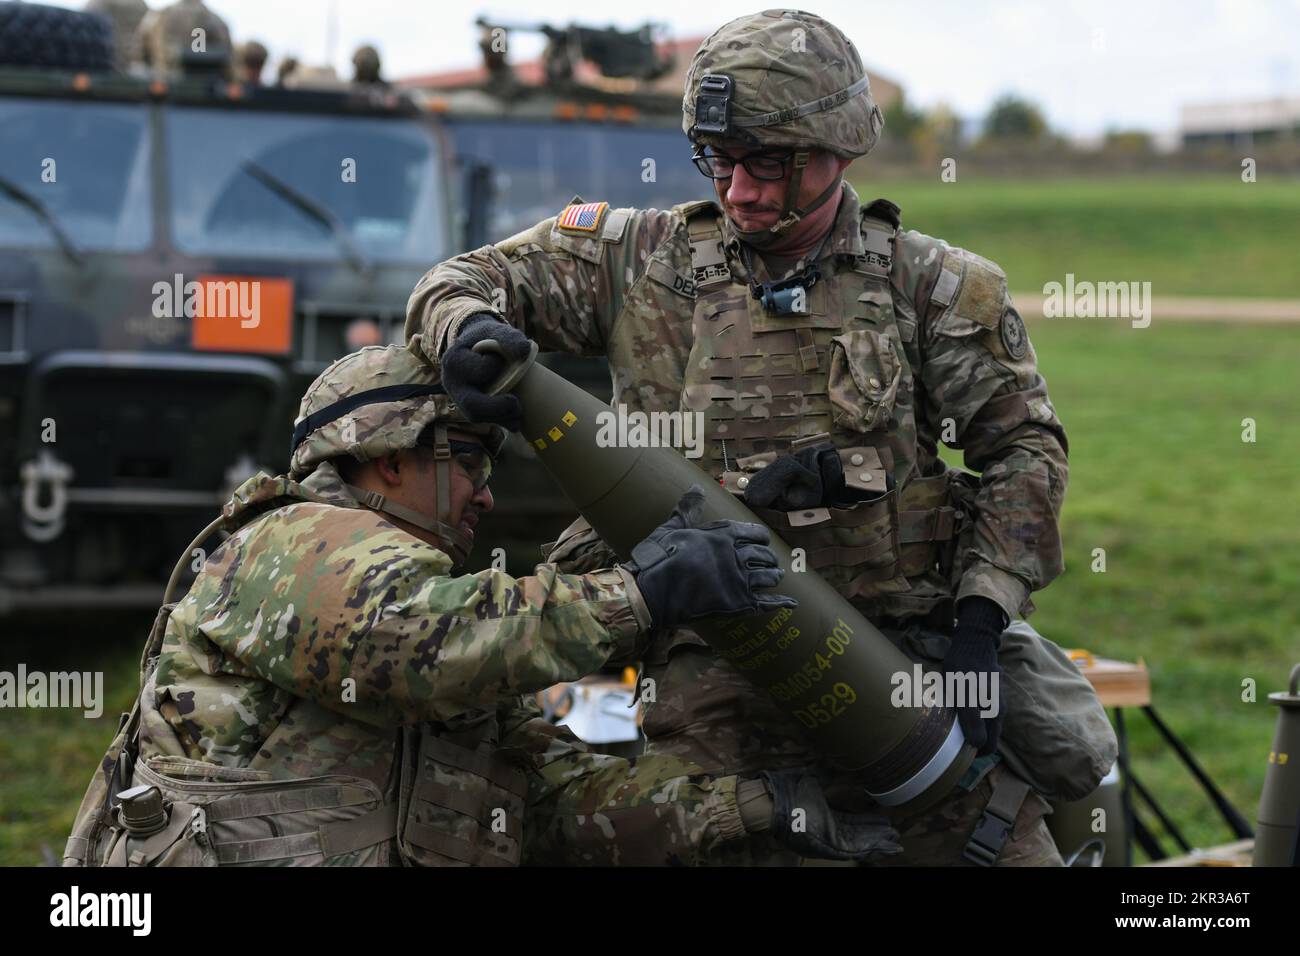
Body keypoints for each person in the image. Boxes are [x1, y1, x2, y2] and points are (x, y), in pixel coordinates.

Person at [406, 10, 1115, 866]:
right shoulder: (637, 262)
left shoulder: (934, 288)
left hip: (904, 673)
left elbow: (1024, 450)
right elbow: (464, 277)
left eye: (768, 163)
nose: (739, 190)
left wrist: (981, 616)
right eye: (719, 160)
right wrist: (466, 326)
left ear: (838, 150)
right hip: (716, 699)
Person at [64, 345, 900, 867]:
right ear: (388, 455)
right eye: (467, 461)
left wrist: (754, 808)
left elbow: (549, 799)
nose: (485, 495)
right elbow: (419, 644)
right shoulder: (287, 543)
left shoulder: (436, 618)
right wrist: (641, 593)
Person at [135, 0, 231, 74]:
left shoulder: (162, 15)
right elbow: (228, 55)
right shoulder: (215, 19)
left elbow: (141, 46)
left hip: (167, 75)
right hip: (202, 78)